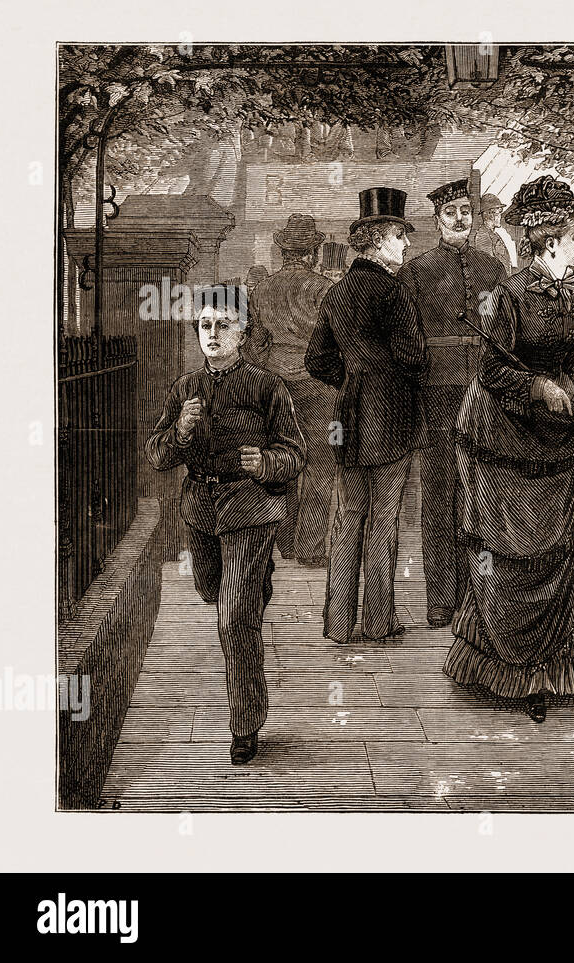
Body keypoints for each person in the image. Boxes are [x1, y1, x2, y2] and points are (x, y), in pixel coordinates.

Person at [442, 176, 574, 722]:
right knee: (510, 560)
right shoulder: (507, 296)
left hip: (561, 440)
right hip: (503, 444)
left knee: (561, 557)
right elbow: (491, 369)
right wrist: (537, 386)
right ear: (549, 242)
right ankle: (510, 672)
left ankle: (554, 671)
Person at [145, 284, 306, 765]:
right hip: (200, 508)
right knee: (210, 590)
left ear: (244, 332)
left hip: (250, 506)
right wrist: (179, 432)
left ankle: (245, 724)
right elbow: (156, 455)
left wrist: (266, 463)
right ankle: (252, 587)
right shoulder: (183, 389)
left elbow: (296, 454)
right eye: (205, 326)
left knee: (234, 620)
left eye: (224, 326)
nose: (213, 334)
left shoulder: (267, 386)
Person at [306, 188, 429, 643]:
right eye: (400, 236)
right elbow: (413, 356)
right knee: (384, 519)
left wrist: (354, 377)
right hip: (391, 413)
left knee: (348, 517)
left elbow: (317, 359)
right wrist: (389, 374)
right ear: (376, 240)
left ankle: (338, 623)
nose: (405, 245)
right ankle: (378, 621)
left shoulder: (336, 292)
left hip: (349, 413)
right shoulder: (394, 292)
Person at [397, 179, 507, 627]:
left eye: (466, 210)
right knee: (441, 496)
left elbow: (504, 332)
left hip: (483, 391)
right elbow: (405, 341)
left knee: (484, 495)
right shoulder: (416, 271)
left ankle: (483, 597)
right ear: (437, 219)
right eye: (451, 212)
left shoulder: (492, 268)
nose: (460, 218)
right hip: (436, 393)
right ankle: (442, 598)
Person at [250, 214, 336, 565]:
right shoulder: (324, 289)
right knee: (320, 467)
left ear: (283, 251)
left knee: (283, 462)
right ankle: (311, 549)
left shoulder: (261, 290)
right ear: (313, 251)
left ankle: (285, 542)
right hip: (317, 386)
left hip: (275, 385)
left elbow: (254, 345)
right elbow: (335, 342)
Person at [474, 192, 516, 274]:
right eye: (499, 212)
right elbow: (488, 267)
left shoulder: (493, 234)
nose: (500, 216)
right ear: (490, 214)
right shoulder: (483, 236)